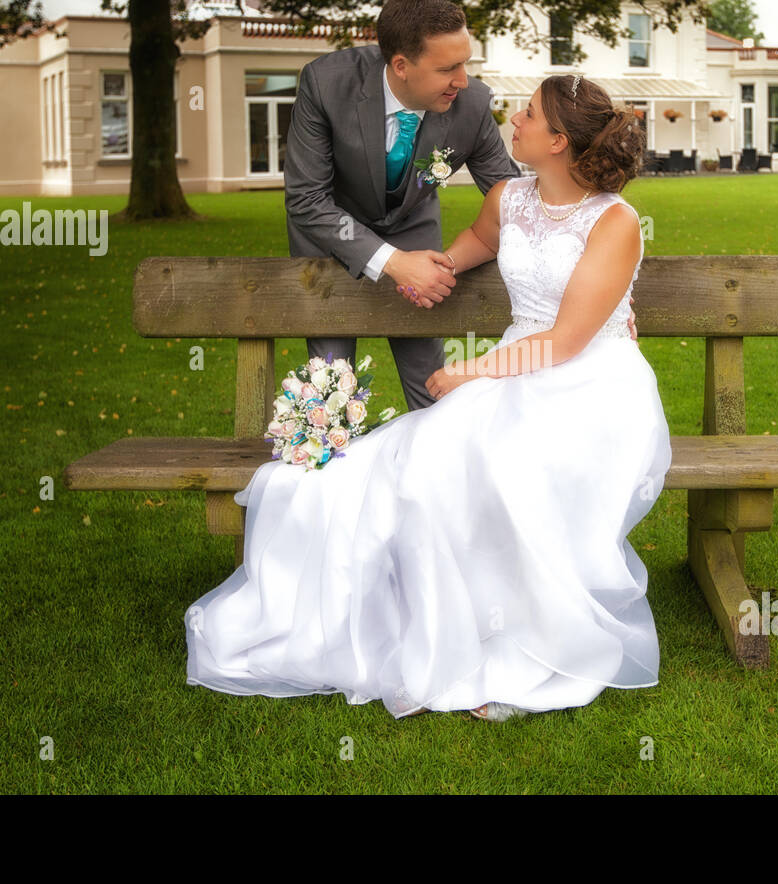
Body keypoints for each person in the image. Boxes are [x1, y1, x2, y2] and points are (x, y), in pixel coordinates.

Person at [185, 72, 671, 722]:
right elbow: (478, 245)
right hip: (515, 372)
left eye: (528, 115)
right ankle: (428, 623)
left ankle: (520, 640)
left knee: (501, 468)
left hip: (586, 384)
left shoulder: (614, 222)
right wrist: (428, 270)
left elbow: (564, 342)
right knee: (415, 467)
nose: (513, 121)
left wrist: (471, 372)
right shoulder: (509, 196)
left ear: (558, 140)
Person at [283, 0, 522, 412]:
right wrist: (391, 262)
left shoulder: (470, 105)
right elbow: (306, 198)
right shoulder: (326, 84)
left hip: (417, 240)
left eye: (465, 62)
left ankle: (432, 472)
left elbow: (514, 203)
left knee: (432, 395)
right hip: (330, 243)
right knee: (329, 394)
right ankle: (332, 473)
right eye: (448, 68)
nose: (463, 80)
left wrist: (586, 267)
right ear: (400, 66)